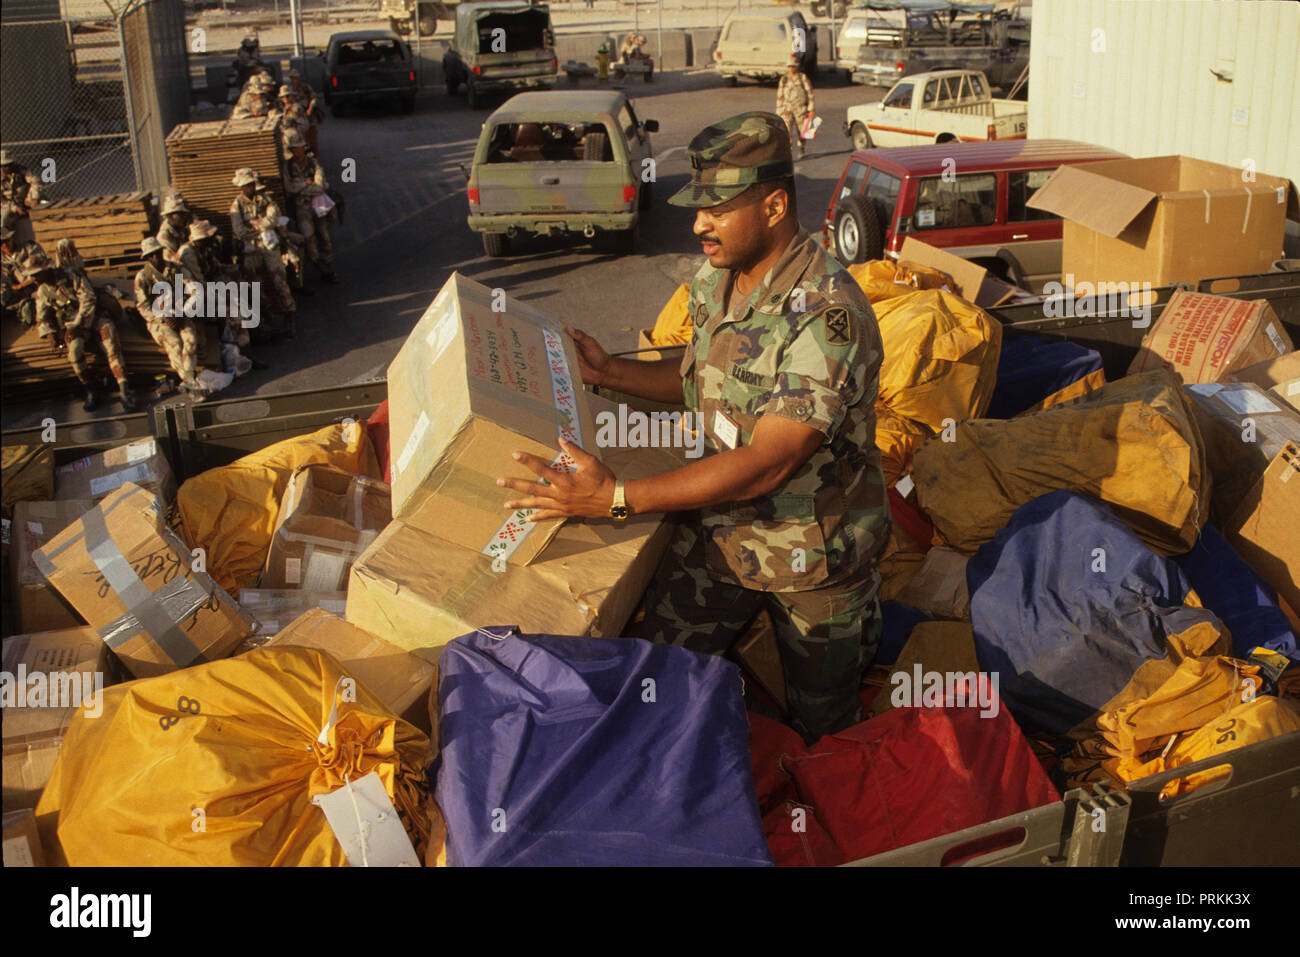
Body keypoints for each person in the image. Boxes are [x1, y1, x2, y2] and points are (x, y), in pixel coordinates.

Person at [497, 112, 889, 743]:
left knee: (825, 724)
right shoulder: (717, 276)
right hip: (720, 534)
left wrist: (615, 501)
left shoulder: (828, 316)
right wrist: (611, 373)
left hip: (812, 561)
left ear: (774, 205)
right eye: (698, 206)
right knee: (658, 676)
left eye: (718, 208)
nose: (699, 223)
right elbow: (702, 380)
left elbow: (769, 461)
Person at [30, 250, 136, 412]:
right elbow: (42, 316)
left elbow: (89, 299)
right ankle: (91, 390)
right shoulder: (43, 291)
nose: (33, 279)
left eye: (36, 274)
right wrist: (50, 332)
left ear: (46, 270)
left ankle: (124, 390)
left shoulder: (71, 276)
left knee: (111, 345)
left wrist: (76, 324)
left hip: (94, 317)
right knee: (74, 352)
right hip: (73, 326)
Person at [135, 236, 207, 398]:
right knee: (174, 345)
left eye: (157, 253)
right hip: (159, 319)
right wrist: (163, 318)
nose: (155, 257)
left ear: (162, 252)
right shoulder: (142, 278)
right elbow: (143, 306)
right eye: (151, 255)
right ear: (146, 258)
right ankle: (191, 381)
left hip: (181, 313)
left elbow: (195, 290)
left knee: (190, 339)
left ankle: (189, 379)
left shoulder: (177, 270)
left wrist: (182, 312)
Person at [229, 167, 296, 335]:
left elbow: (273, 217)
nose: (249, 188)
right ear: (241, 188)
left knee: (279, 277)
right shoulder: (236, 206)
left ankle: (289, 312)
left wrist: (255, 226)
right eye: (245, 186)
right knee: (255, 283)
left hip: (268, 244)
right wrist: (261, 225)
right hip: (250, 248)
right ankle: (266, 317)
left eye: (251, 184)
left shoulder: (265, 199)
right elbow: (239, 231)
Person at [284, 131, 337, 284]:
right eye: (295, 148)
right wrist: (306, 184)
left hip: (318, 205)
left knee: (324, 236)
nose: (297, 150)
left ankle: (328, 265)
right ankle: (317, 264)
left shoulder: (313, 164)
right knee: (308, 236)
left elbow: (319, 186)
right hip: (302, 208)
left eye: (300, 147)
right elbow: (289, 188)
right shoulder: (288, 167)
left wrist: (301, 187)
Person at [1, 147, 45, 246]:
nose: (7, 168)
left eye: (9, 165)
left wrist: (34, 198)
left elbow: (36, 182)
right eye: (4, 166)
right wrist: (14, 208)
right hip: (6, 206)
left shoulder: (21, 171)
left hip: (23, 203)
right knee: (3, 219)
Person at [2, 225, 44, 327]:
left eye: (6, 241)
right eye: (1, 243)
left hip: (37, 287)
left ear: (11, 238)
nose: (5, 245)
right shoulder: (3, 260)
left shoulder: (29, 247)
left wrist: (20, 285)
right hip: (17, 295)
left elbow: (38, 270)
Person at [776, 55, 815, 159]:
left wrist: (811, 109)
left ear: (797, 66)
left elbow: (810, 94)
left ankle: (802, 148)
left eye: (793, 66)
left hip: (800, 109)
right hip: (787, 109)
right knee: (787, 132)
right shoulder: (784, 79)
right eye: (789, 66)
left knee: (802, 131)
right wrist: (779, 111)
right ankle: (788, 152)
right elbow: (780, 96)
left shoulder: (802, 78)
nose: (791, 68)